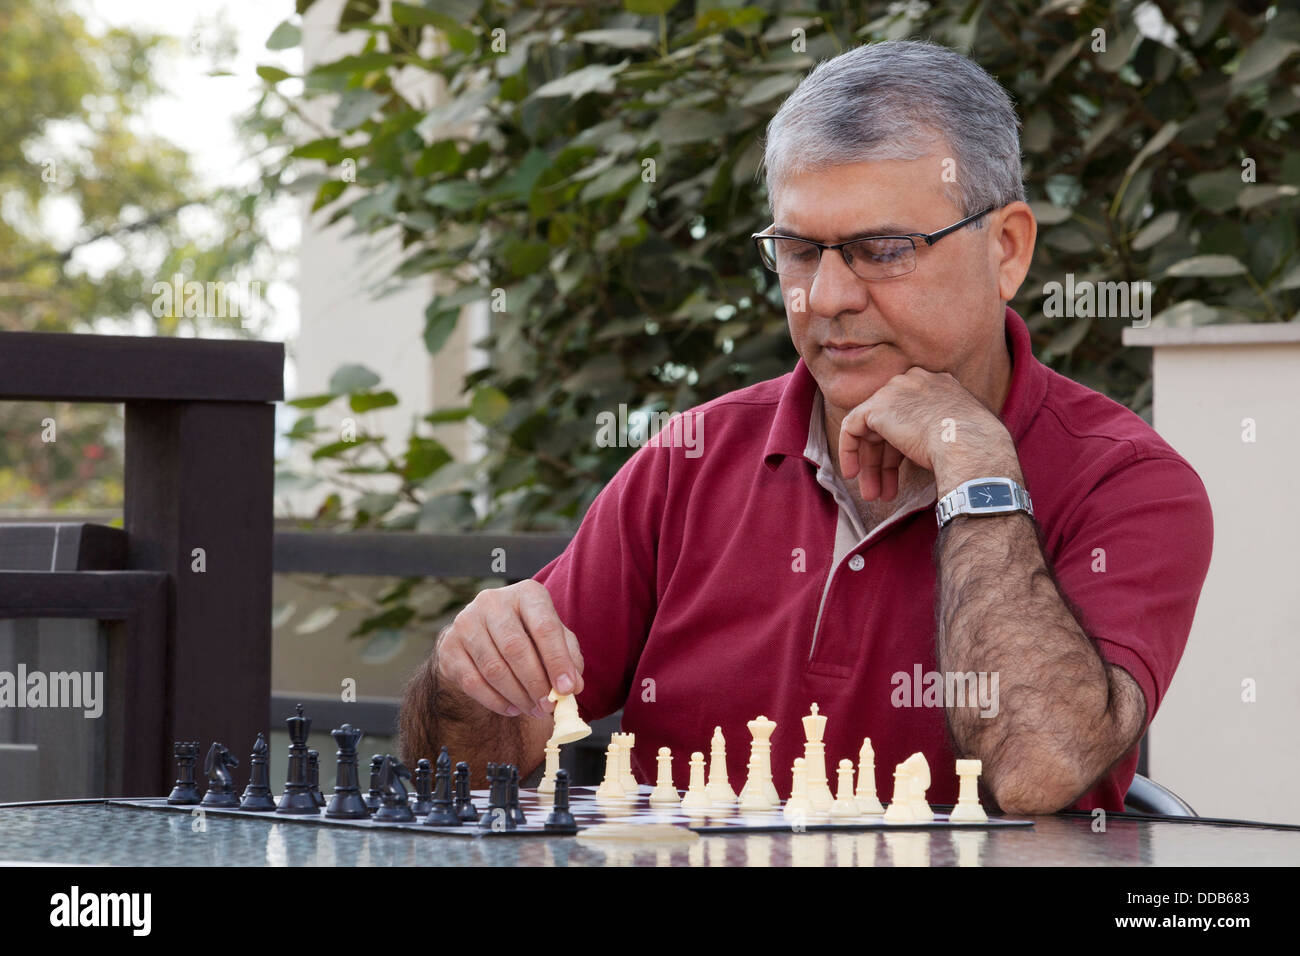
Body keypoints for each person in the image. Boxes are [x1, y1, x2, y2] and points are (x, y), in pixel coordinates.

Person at [398, 40, 1213, 814]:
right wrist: (466, 675)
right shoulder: (692, 457)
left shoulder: (1130, 484)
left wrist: (977, 470)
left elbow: (1039, 769)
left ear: (1006, 248)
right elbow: (466, 766)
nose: (824, 297)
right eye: (797, 249)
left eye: (883, 249)